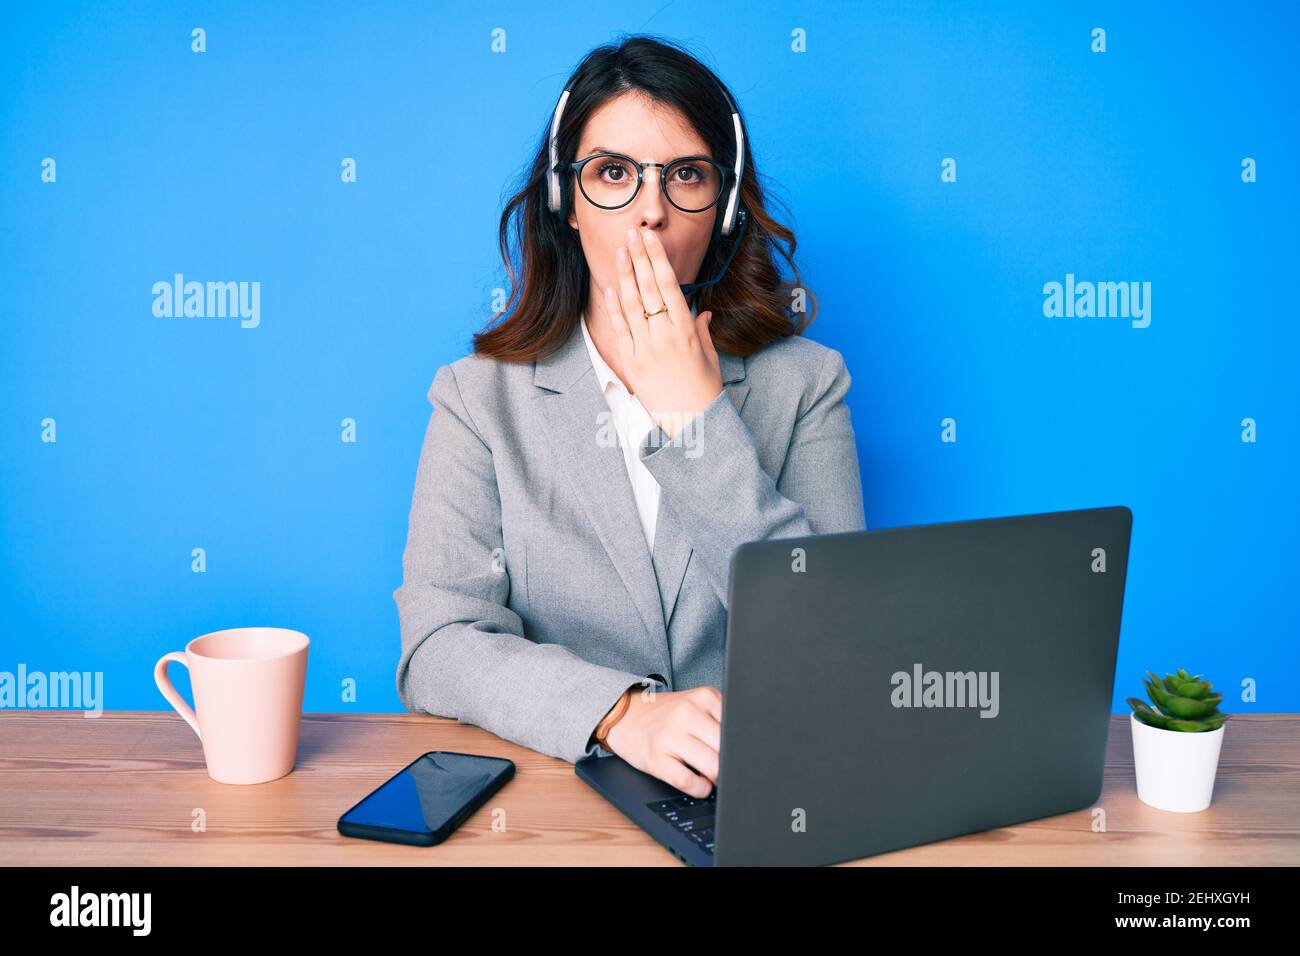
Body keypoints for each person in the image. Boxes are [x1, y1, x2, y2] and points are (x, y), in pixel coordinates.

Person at [394, 35, 865, 798]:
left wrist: (695, 420)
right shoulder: (475, 398)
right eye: (613, 173)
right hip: (552, 802)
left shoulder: (807, 386)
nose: (650, 213)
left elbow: (837, 643)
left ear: (723, 206)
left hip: (759, 798)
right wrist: (619, 713)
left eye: (685, 176)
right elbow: (439, 646)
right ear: (565, 201)